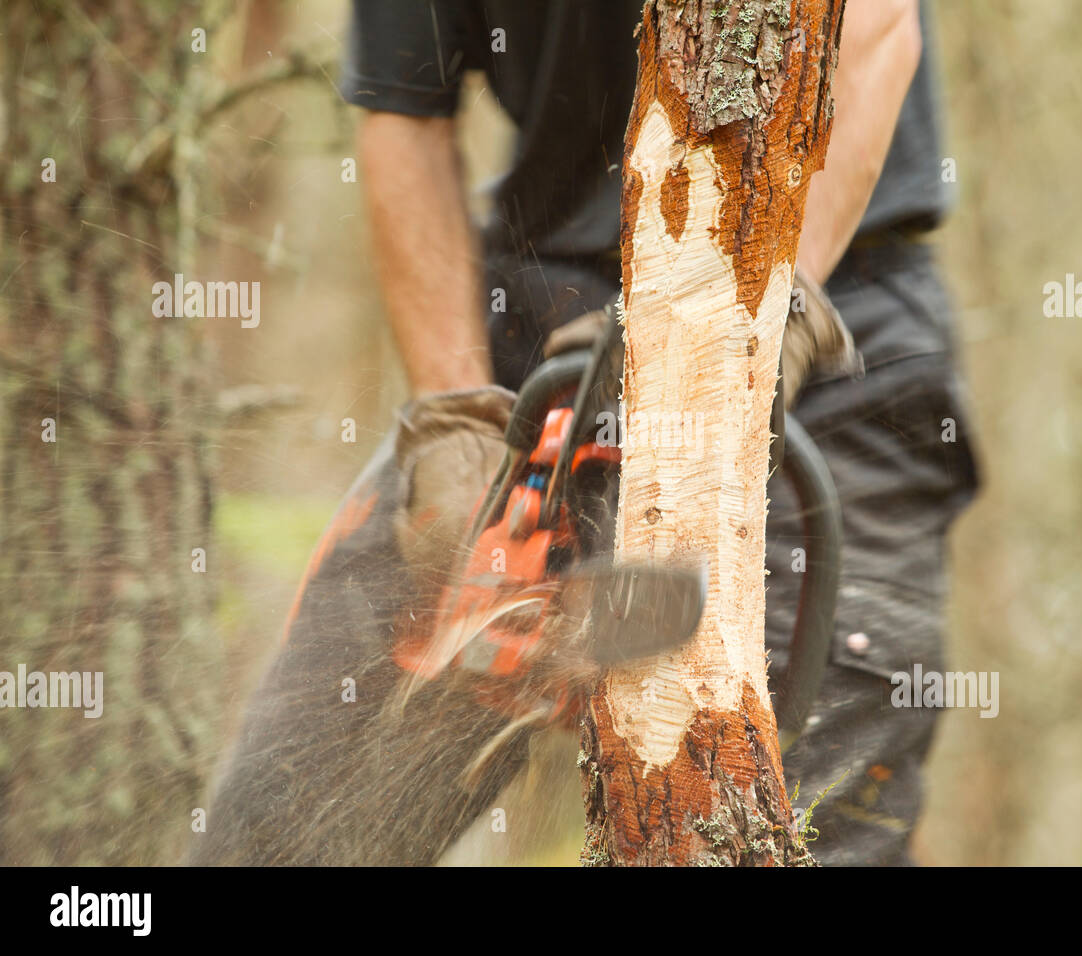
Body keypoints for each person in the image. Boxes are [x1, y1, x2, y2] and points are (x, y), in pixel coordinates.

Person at [339, 0, 980, 865]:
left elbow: (869, 24)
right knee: (285, 823)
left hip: (832, 303)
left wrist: (762, 312)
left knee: (822, 820)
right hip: (540, 325)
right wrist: (456, 421)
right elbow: (402, 109)